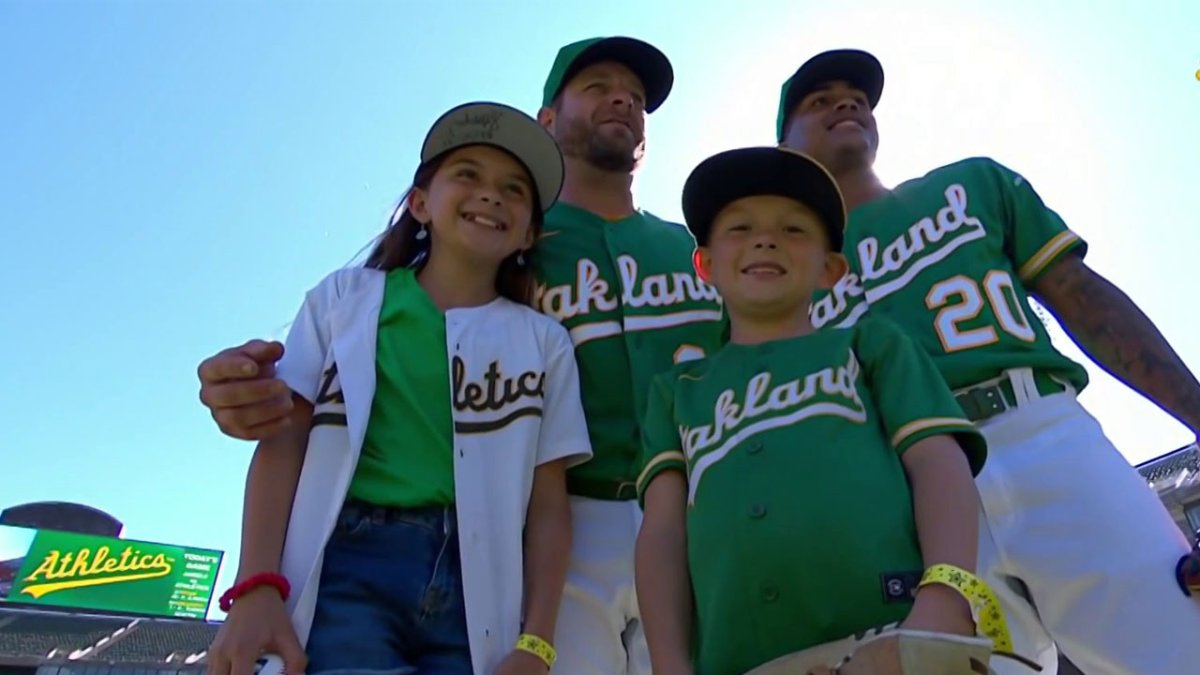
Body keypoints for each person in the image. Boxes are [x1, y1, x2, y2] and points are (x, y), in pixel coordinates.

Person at [196, 37, 727, 675]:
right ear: (548, 119)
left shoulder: (702, 253)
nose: (623, 99)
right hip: (512, 540)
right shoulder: (424, 277)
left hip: (684, 521)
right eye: (598, 86)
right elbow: (294, 417)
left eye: (638, 97)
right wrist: (245, 400)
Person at [777, 48, 1200, 675]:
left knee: (1175, 652)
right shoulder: (781, 277)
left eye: (858, 98)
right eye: (820, 100)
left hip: (1044, 436)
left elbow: (1084, 301)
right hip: (908, 492)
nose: (847, 104)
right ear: (784, 145)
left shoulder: (970, 183)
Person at [204, 101, 593, 675]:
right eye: (467, 176)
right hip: (349, 569)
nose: (491, 195)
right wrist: (257, 584)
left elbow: (548, 501)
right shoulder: (344, 300)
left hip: (478, 587)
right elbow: (282, 441)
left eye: (515, 190)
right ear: (419, 204)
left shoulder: (544, 342)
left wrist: (536, 643)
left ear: (529, 232)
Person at [635, 145, 997, 675]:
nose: (765, 238)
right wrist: (669, 663)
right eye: (739, 228)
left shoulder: (871, 344)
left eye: (794, 230)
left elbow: (938, 463)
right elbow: (663, 531)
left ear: (831, 268)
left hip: (892, 638)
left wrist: (945, 598)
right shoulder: (677, 392)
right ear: (705, 264)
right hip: (742, 661)